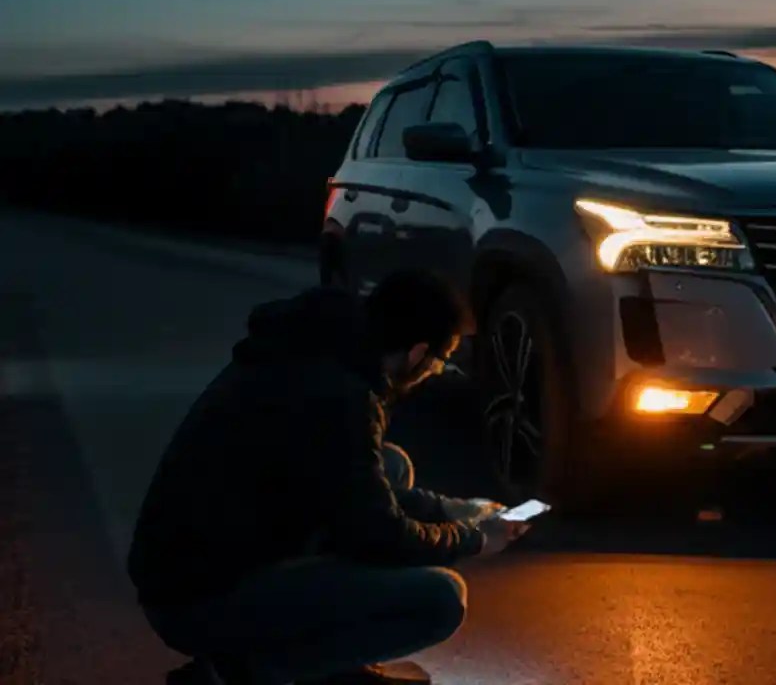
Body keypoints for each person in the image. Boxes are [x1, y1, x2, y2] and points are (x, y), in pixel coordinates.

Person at [127, 270, 528, 685]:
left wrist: (451, 509)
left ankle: (334, 662)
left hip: (189, 572)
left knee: (390, 464)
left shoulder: (316, 354)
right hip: (200, 598)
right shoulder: (341, 397)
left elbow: (353, 484)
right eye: (440, 364)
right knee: (440, 600)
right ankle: (240, 672)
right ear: (418, 353)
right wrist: (474, 539)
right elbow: (377, 531)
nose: (433, 374)